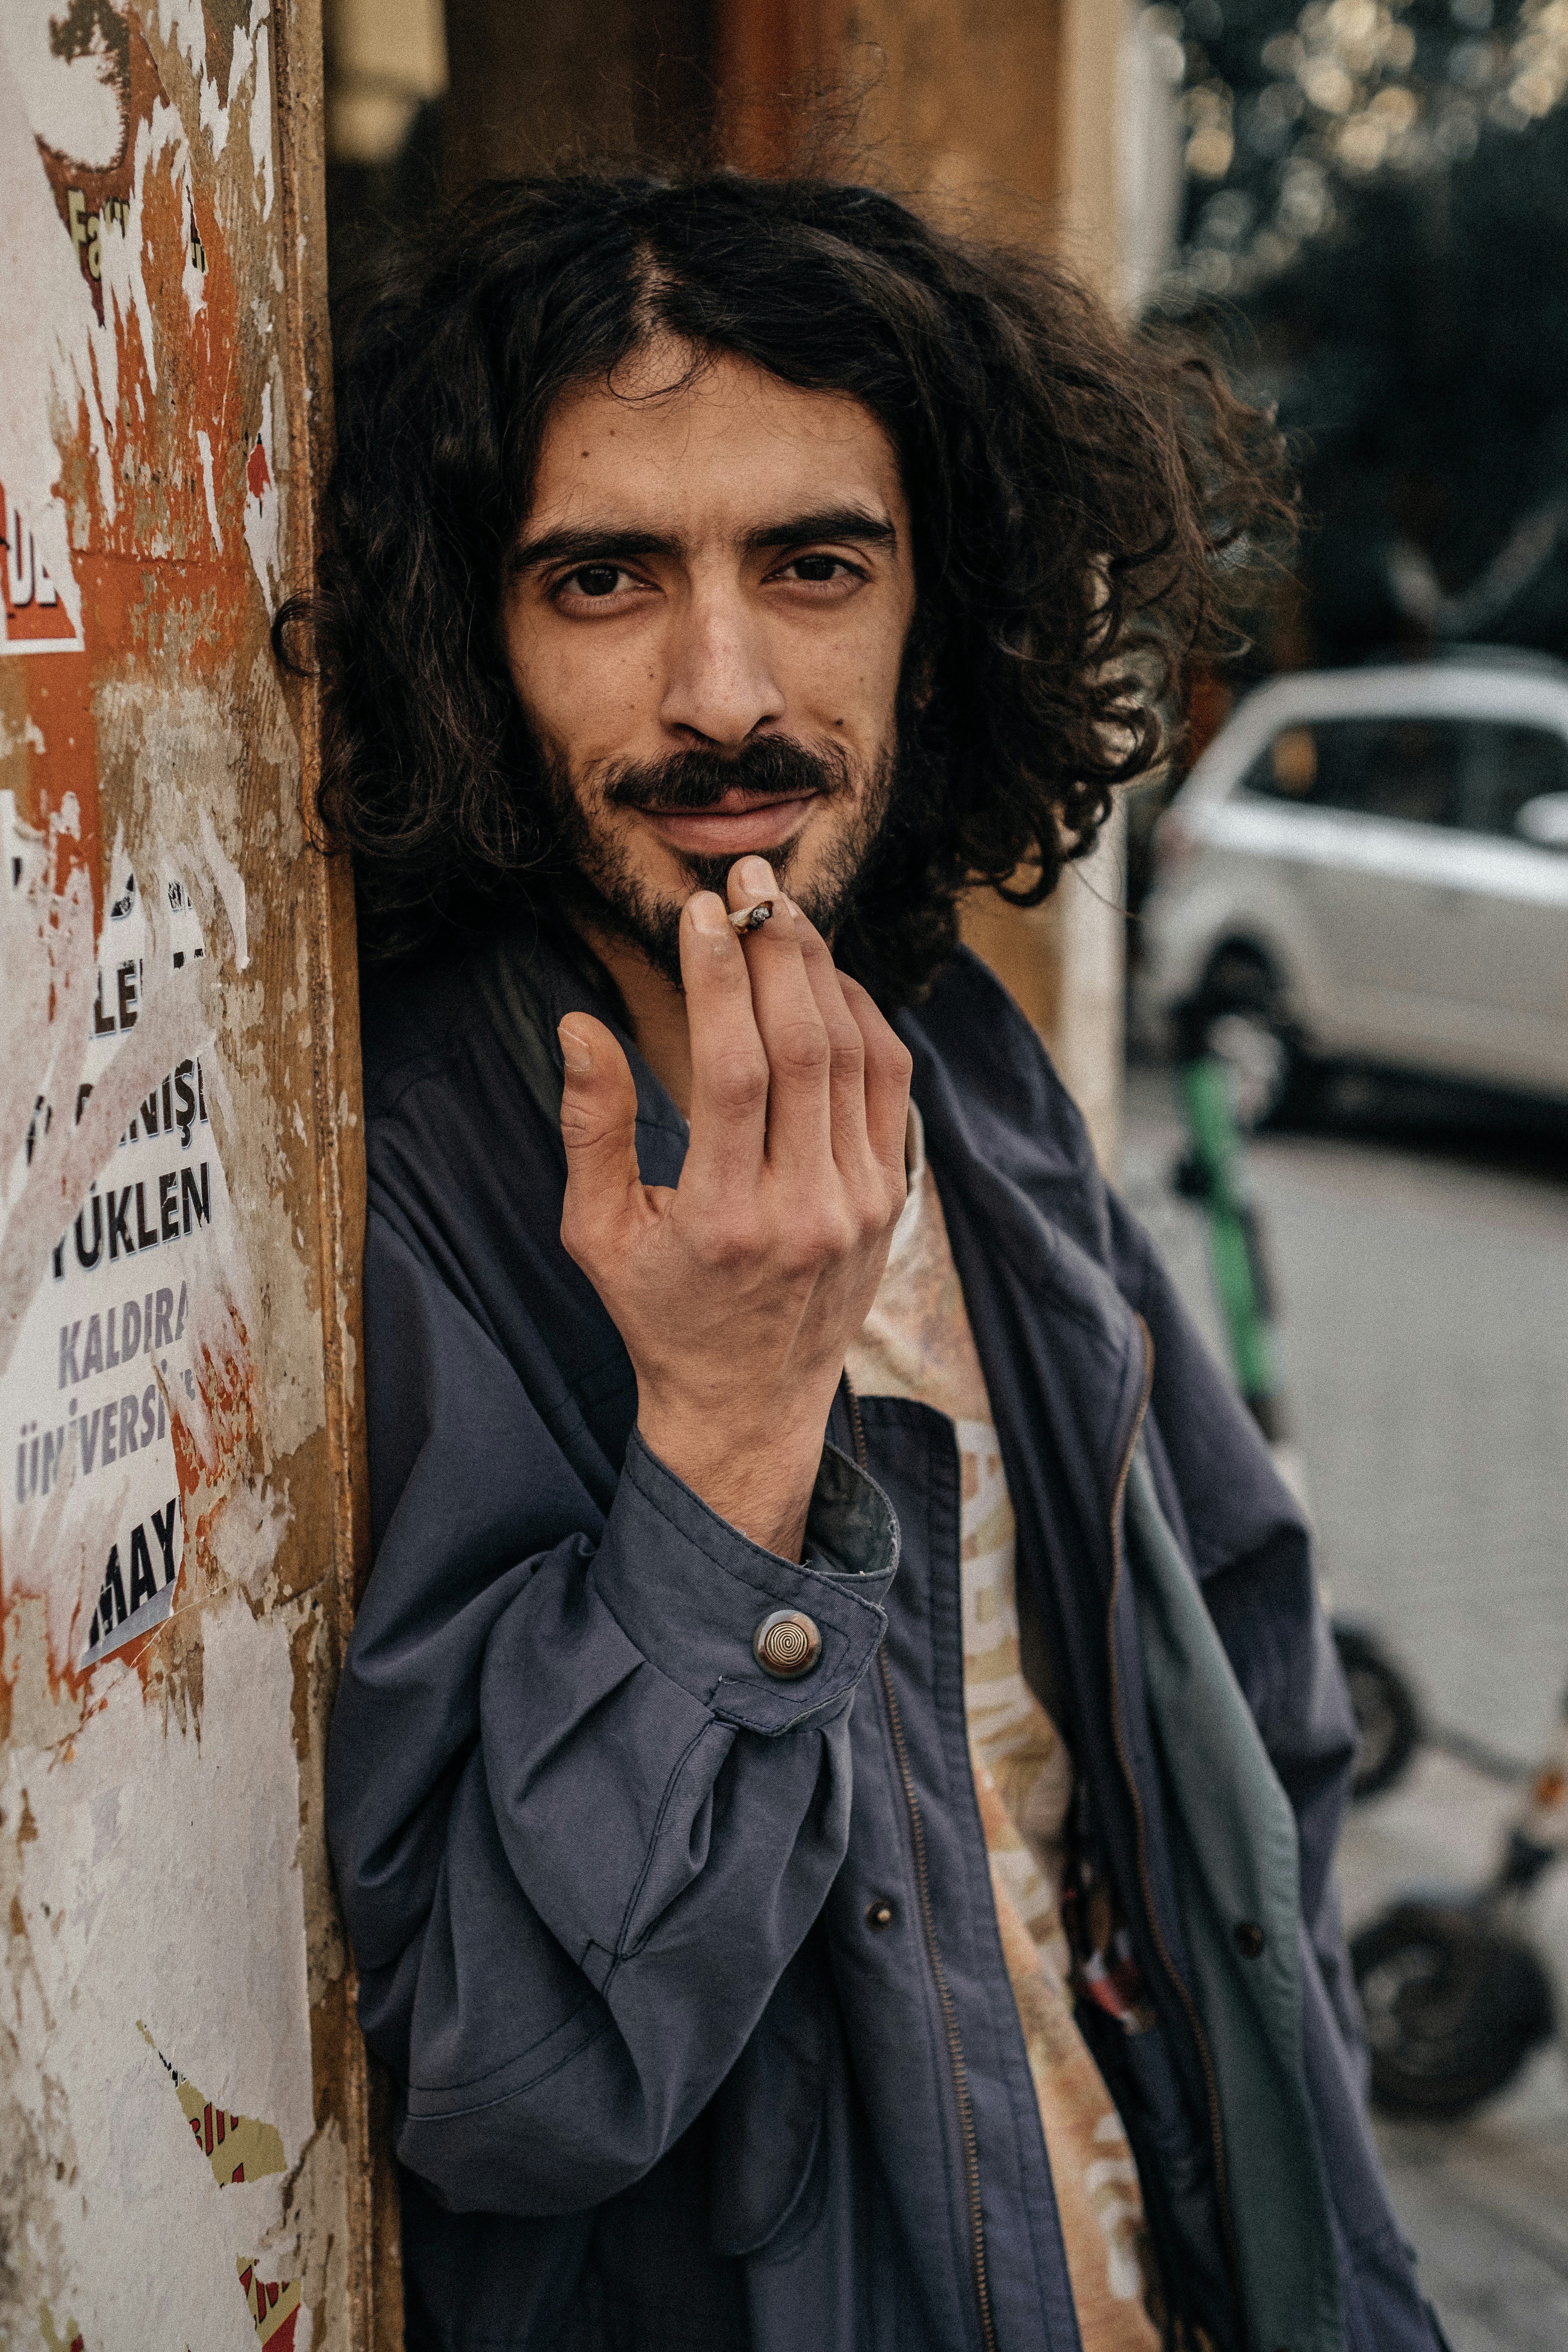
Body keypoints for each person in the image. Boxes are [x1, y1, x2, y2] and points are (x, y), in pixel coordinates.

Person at [305, 168, 1447, 2352]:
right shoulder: (404, 1187)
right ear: (472, 634)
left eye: (813, 565)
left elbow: (1249, 1731)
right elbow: (517, 2090)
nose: (722, 689)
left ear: (945, 603)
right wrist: (727, 1424)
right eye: (603, 578)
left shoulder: (961, 1071)